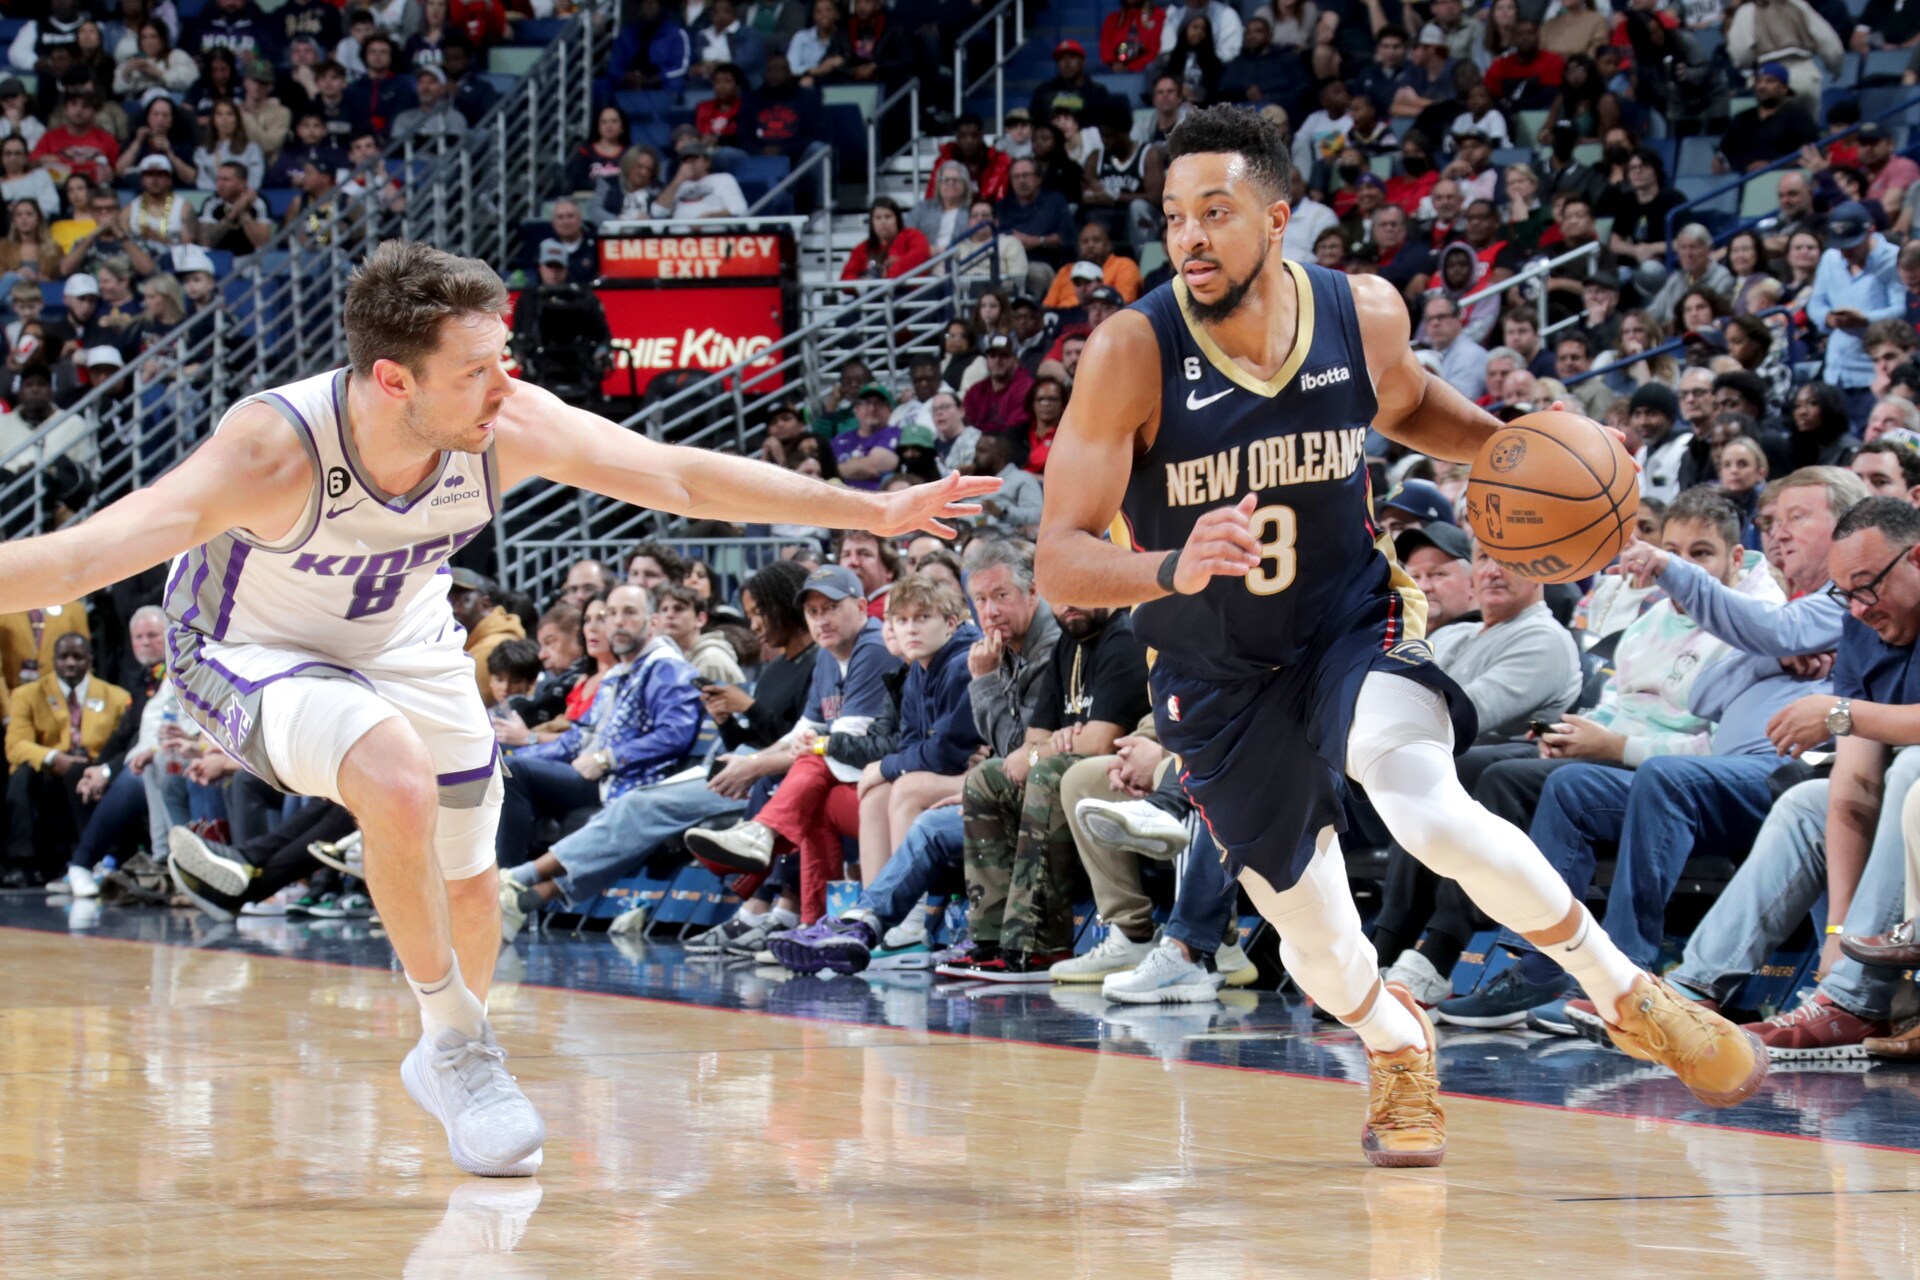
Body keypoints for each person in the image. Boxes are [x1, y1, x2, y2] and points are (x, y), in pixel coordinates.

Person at [0, 239, 993, 1177]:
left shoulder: (499, 419)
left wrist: (869, 509)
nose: (507, 383)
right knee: (392, 776)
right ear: (396, 380)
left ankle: (448, 1047)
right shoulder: (274, 448)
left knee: (472, 878)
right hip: (250, 646)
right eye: (478, 367)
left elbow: (677, 473)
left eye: (505, 356)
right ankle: (461, 1044)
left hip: (400, 631)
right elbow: (88, 553)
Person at [1033, 107, 1767, 1170]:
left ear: (1277, 218)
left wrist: (1530, 448)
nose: (1188, 236)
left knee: (1421, 794)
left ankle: (1626, 990)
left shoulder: (1361, 309)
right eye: (1173, 217)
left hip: (1348, 616)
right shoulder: (1131, 351)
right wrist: (1169, 565)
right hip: (1214, 665)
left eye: (1216, 212)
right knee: (1320, 939)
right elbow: (1057, 553)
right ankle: (1396, 1040)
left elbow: (1413, 401)